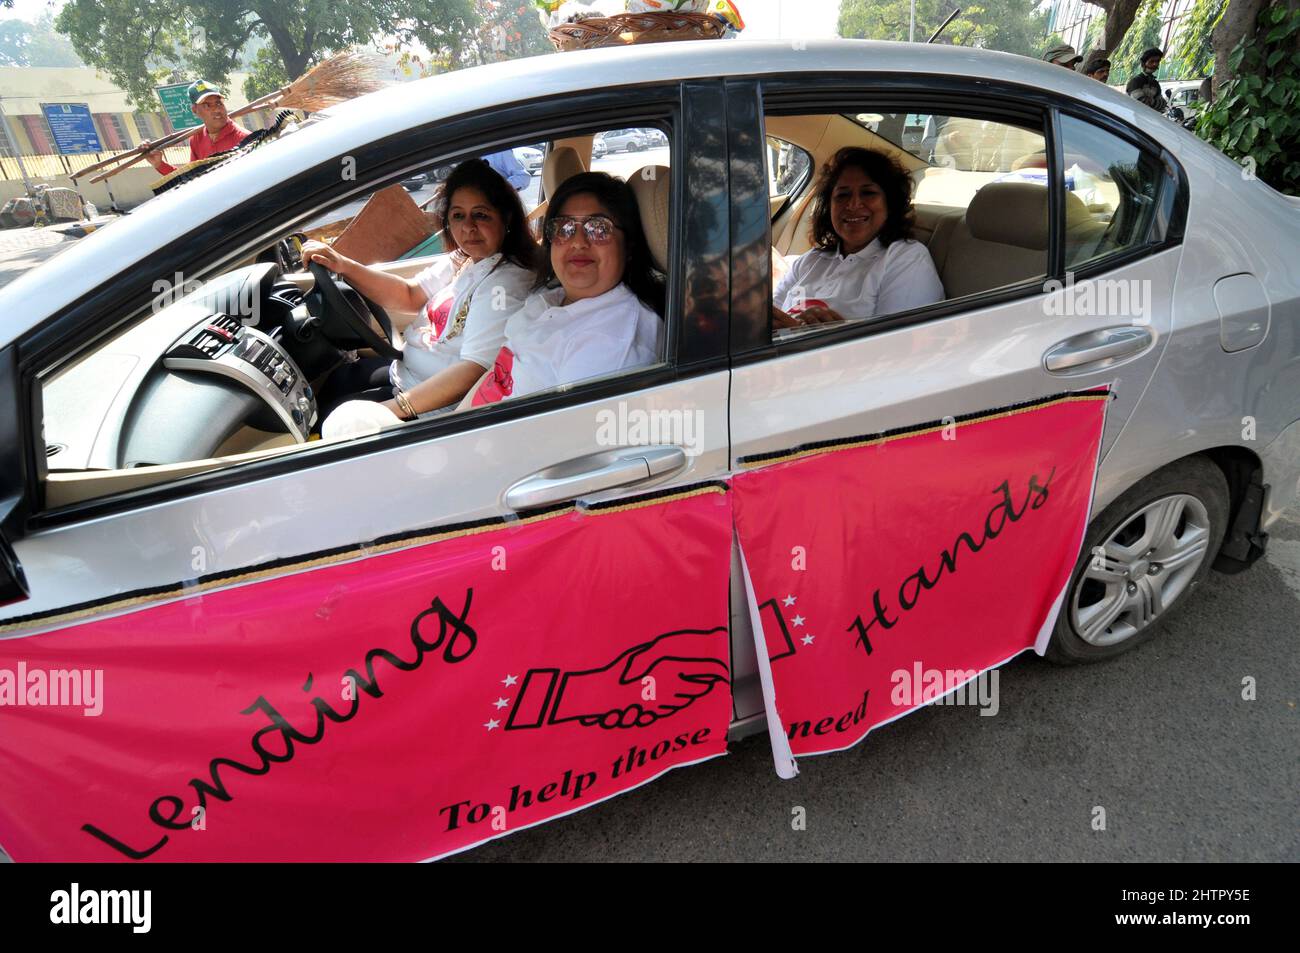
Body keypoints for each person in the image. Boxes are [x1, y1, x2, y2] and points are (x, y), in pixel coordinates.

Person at [307, 158, 536, 425]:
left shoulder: (505, 282)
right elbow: (409, 294)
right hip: (405, 374)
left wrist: (392, 409)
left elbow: (473, 371)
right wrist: (343, 264)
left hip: (431, 408)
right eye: (458, 215)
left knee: (330, 418)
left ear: (506, 218)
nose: (468, 227)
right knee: (336, 383)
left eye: (481, 215)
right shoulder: (464, 258)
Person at [464, 171, 663, 407]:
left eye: (598, 228)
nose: (577, 241)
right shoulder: (551, 296)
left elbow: (563, 440)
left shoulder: (612, 345)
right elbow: (497, 373)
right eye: (563, 228)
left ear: (628, 245)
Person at [772, 147, 944, 330]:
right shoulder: (810, 261)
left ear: (890, 203)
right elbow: (767, 319)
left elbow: (896, 345)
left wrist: (803, 332)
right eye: (842, 195)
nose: (853, 204)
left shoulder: (905, 258)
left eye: (868, 193)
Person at [141, 81, 251, 176]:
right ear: (195, 110)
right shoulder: (196, 139)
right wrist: (159, 164)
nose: (217, 110)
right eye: (207, 105)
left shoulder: (245, 138)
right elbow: (191, 179)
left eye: (218, 103)